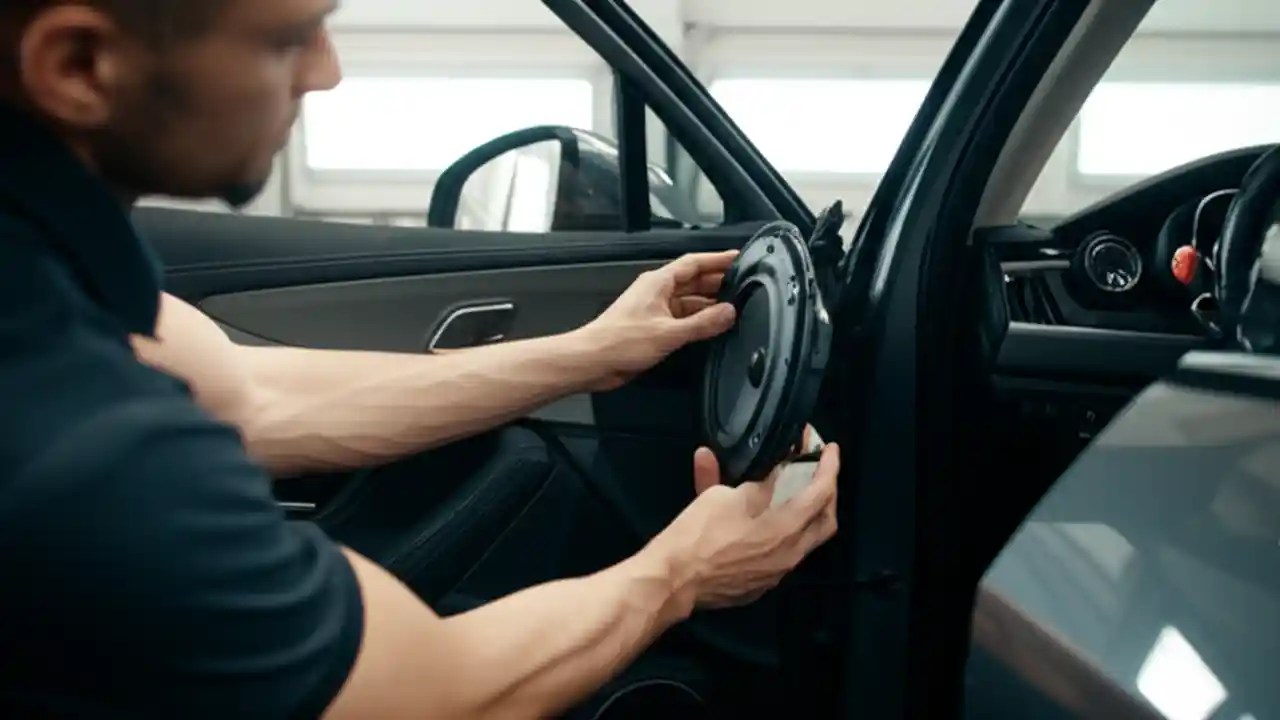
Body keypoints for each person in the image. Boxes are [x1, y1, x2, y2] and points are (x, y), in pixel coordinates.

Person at [0, 1, 841, 718]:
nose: (325, 73)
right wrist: (682, 572)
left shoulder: (55, 271)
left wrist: (590, 353)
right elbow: (429, 696)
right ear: (79, 66)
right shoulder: (62, 422)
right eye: (289, 39)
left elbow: (257, 397)